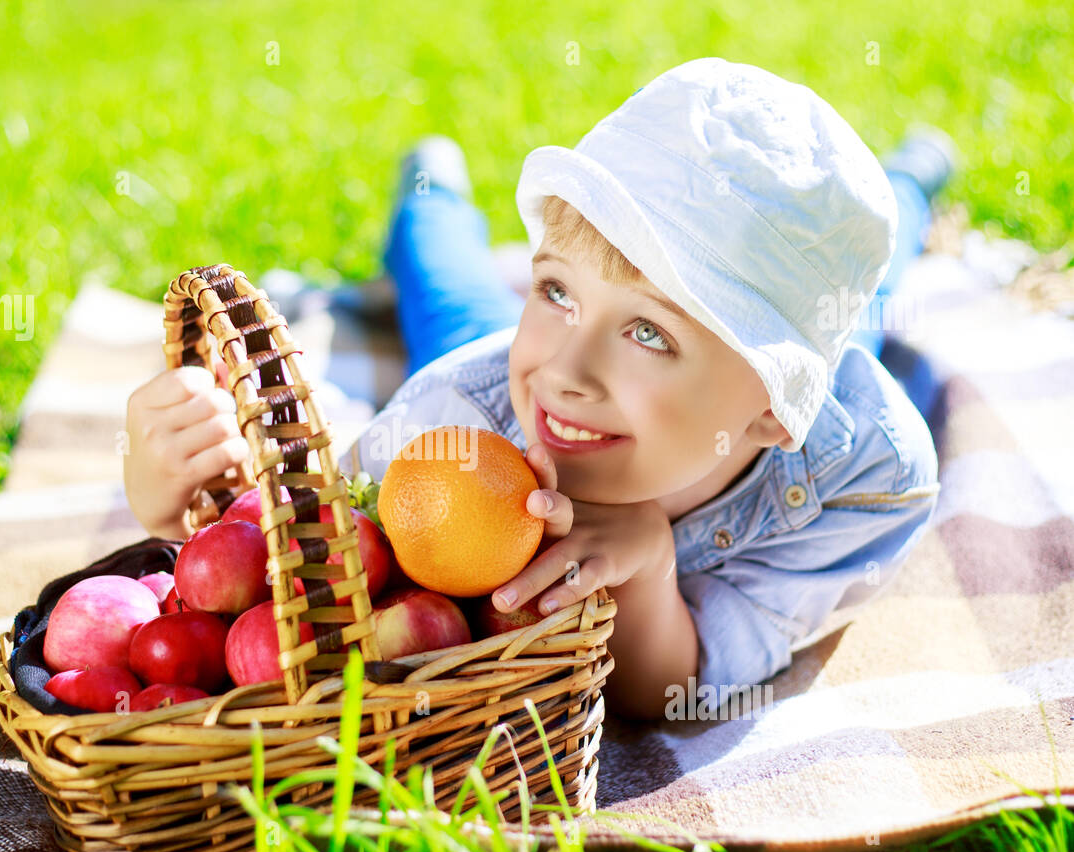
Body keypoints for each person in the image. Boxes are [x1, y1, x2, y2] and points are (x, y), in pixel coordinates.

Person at [125, 58, 950, 721]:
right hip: (485, 394)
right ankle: (430, 187)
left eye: (649, 333)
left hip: (806, 399)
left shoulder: (864, 481)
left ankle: (910, 178)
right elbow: (295, 546)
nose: (562, 370)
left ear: (773, 403)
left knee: (860, 303)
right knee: (442, 280)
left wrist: (649, 573)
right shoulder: (450, 426)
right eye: (555, 289)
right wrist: (182, 505)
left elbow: (676, 694)